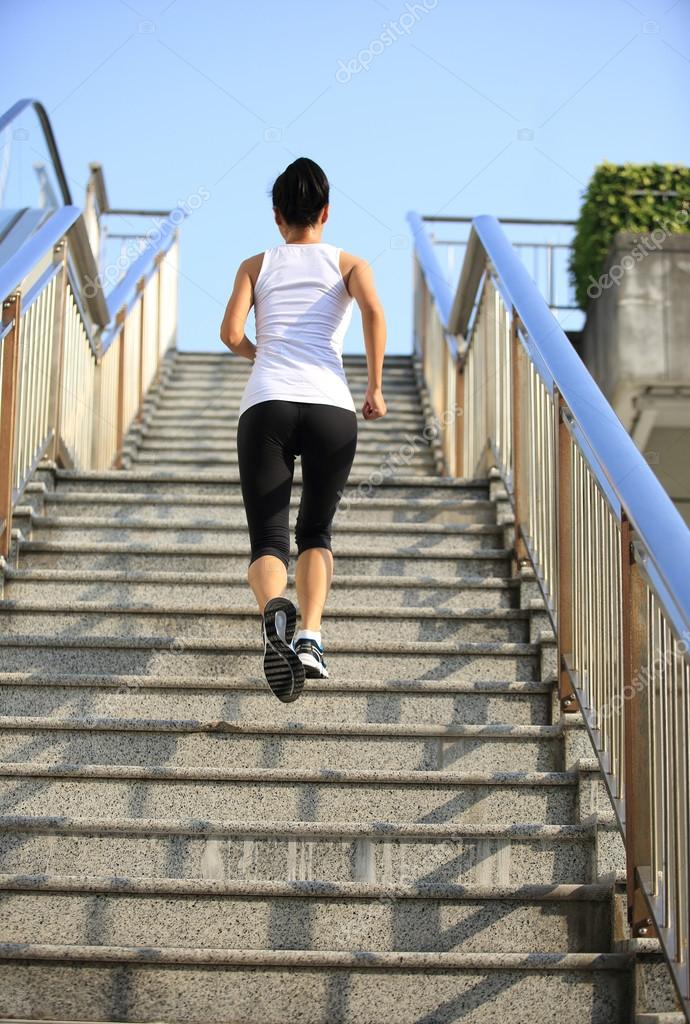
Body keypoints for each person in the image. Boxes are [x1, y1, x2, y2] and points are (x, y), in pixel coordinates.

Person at [219, 157, 387, 703]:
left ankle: (274, 614)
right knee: (315, 531)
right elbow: (374, 314)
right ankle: (311, 638)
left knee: (267, 538)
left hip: (265, 404)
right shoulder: (350, 263)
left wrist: (261, 355)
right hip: (330, 407)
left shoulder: (254, 264)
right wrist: (375, 387)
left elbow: (229, 333)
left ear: (277, 216)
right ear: (326, 213)